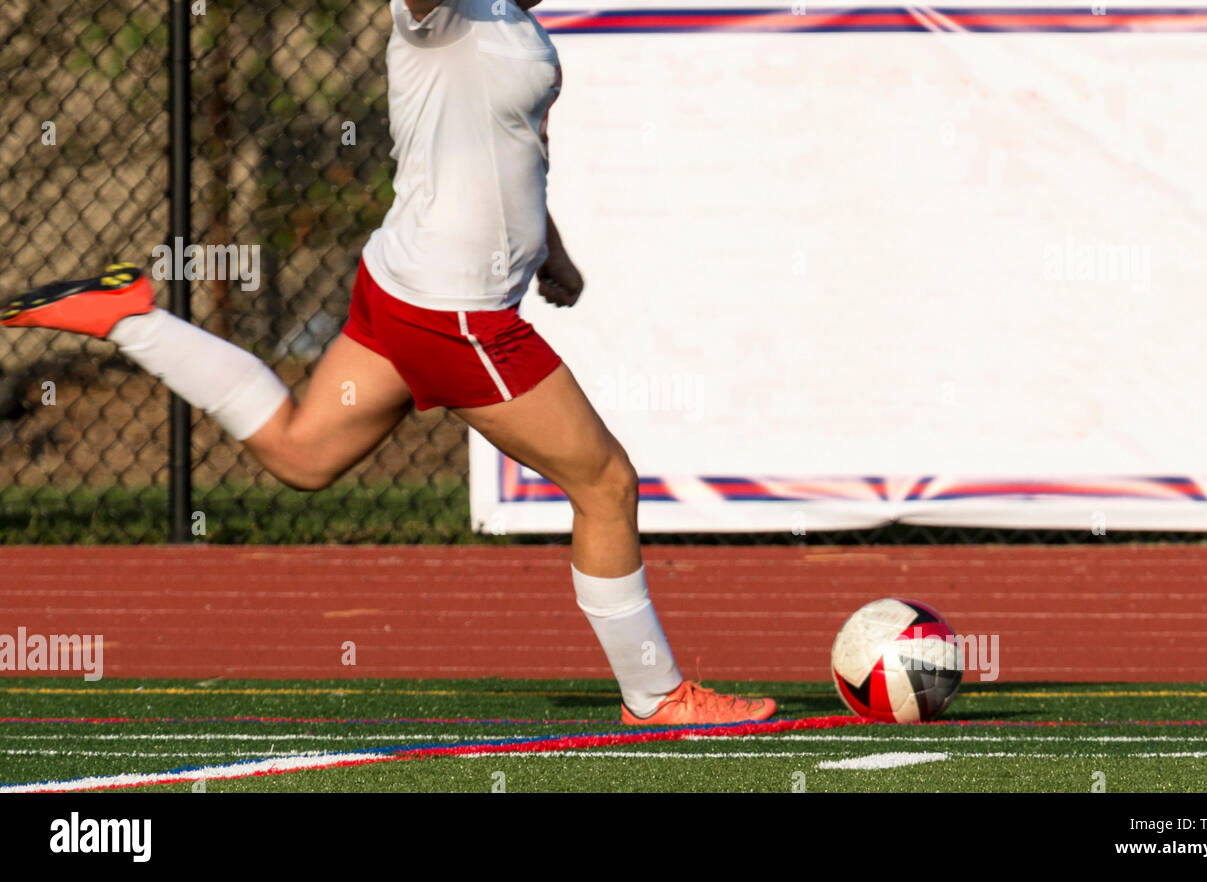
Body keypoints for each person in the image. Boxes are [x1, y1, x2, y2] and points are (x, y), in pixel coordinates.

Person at [3, 0, 776, 725]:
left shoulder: (515, 22)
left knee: (302, 456)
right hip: (454, 314)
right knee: (606, 484)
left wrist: (552, 251)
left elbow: (511, 152)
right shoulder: (443, 19)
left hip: (402, 289)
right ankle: (655, 694)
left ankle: (131, 318)